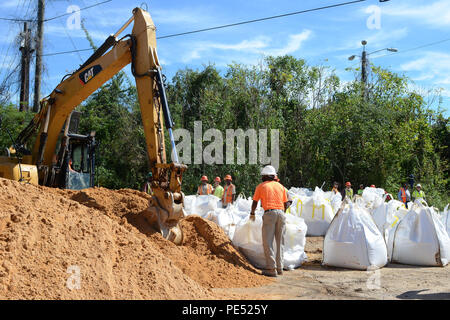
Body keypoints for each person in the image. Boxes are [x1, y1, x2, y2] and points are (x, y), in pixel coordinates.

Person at [250, 165, 289, 277]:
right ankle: (280, 268)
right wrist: (281, 213)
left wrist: (252, 213)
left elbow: (255, 202)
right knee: (280, 242)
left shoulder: (261, 186)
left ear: (266, 176)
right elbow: (286, 203)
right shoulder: (280, 186)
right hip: (281, 213)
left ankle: (271, 269)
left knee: (268, 242)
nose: (261, 178)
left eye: (262, 176)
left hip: (269, 213)